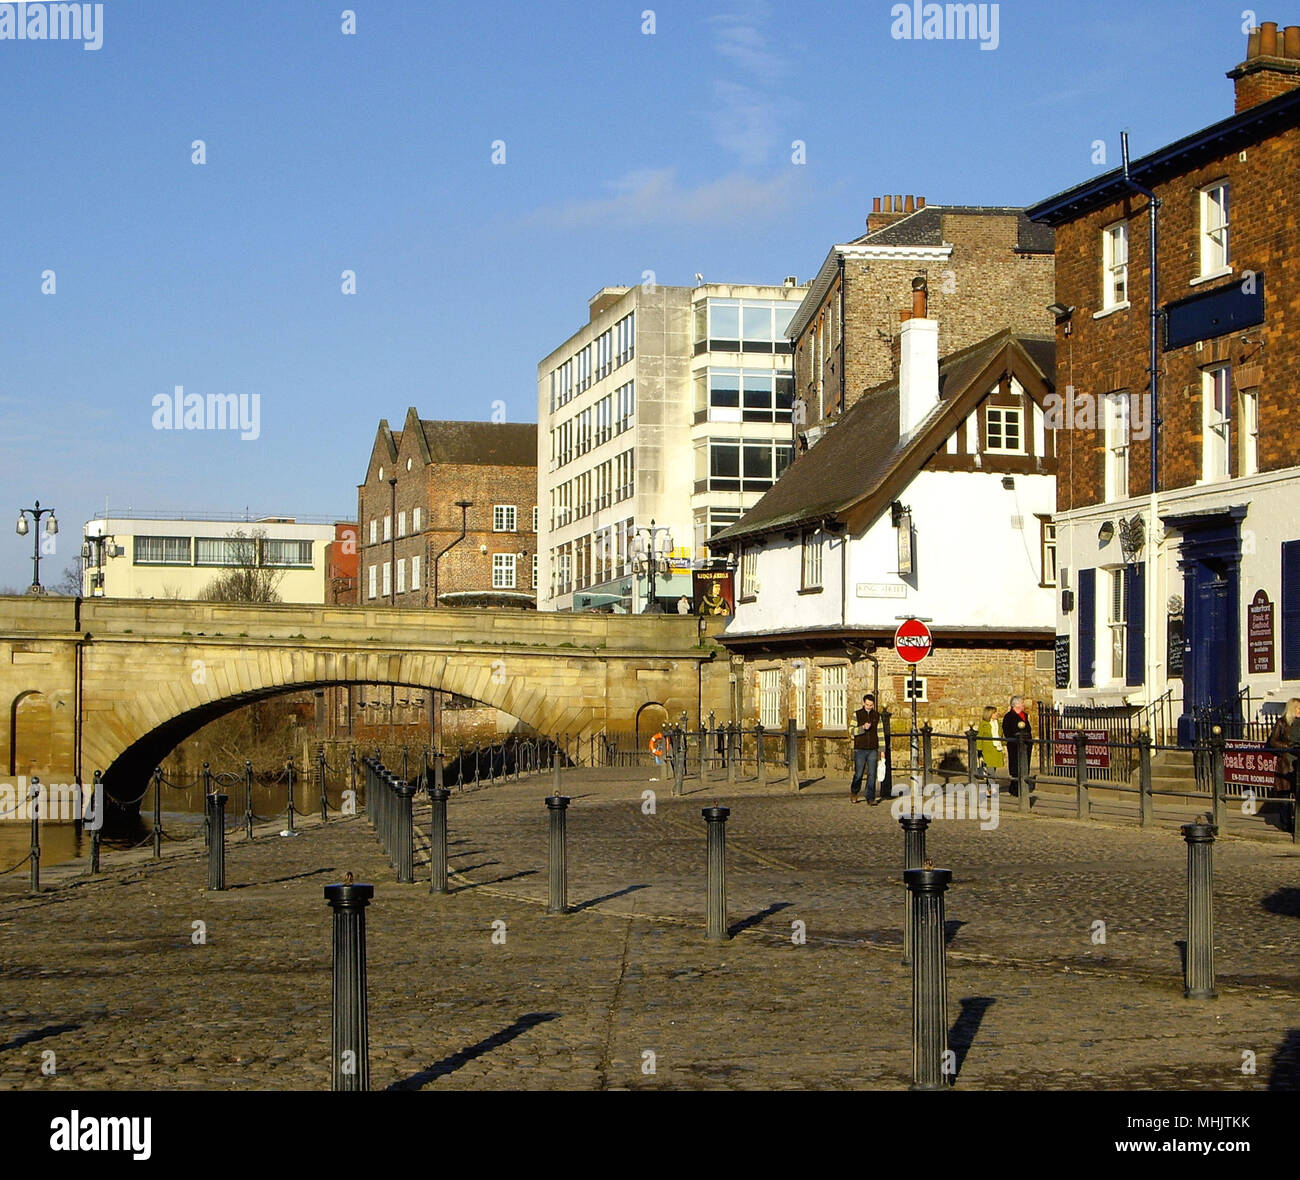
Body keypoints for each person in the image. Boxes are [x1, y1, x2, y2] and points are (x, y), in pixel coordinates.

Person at [850, 692, 880, 804]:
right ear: (863, 703)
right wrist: (862, 728)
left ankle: (870, 797)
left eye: (871, 705)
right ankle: (854, 791)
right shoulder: (857, 714)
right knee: (858, 773)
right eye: (867, 705)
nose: (869, 707)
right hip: (860, 748)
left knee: (872, 774)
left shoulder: (877, 715)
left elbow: (880, 733)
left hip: (872, 748)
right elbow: (851, 731)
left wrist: (882, 750)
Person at [1266, 697, 1300, 796]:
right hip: (1286, 762)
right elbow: (1273, 741)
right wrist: (1287, 746)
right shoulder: (1282, 722)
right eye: (1298, 708)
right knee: (1285, 797)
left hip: (1297, 761)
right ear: (1292, 709)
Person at [1002, 695, 1033, 793]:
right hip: (1015, 746)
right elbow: (1007, 731)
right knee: (1016, 768)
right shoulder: (1008, 717)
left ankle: (1023, 786)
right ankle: (1015, 788)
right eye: (1022, 703)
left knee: (1025, 766)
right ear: (1016, 705)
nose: (1023, 705)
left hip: (1026, 745)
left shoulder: (1024, 715)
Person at [976, 704, 1004, 780]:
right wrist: (979, 749)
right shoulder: (983, 724)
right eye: (994, 713)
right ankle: (992, 790)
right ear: (989, 714)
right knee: (990, 771)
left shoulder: (998, 723)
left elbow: (1001, 734)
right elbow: (979, 736)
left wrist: (1004, 743)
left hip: (996, 749)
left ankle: (990, 789)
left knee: (993, 770)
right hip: (987, 750)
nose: (996, 714)